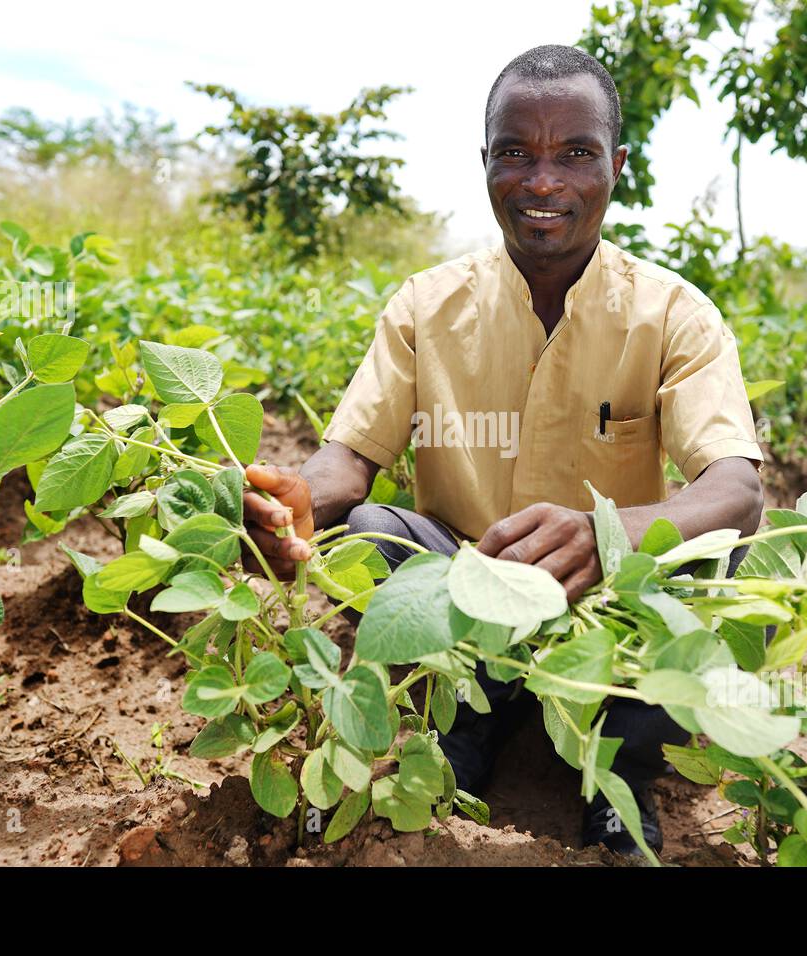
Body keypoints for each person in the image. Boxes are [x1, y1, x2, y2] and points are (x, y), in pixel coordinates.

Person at [242, 44, 765, 856]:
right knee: (365, 531)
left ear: (617, 166)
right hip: (461, 595)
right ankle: (460, 721)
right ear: (485, 162)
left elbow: (734, 486)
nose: (544, 181)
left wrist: (609, 534)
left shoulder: (674, 314)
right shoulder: (427, 303)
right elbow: (346, 463)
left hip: (609, 614)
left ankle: (620, 765)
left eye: (576, 153)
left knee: (716, 552)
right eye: (516, 152)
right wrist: (296, 502)